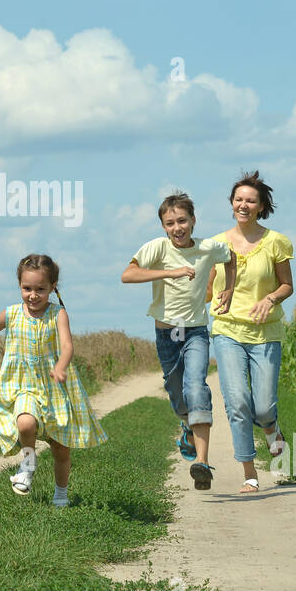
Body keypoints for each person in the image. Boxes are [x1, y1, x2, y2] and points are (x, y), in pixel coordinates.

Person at [0, 254, 106, 508]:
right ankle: (28, 466)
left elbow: (67, 346)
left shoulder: (57, 314)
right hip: (22, 386)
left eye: (40, 289)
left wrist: (61, 367)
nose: (33, 295)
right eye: (27, 288)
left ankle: (61, 495)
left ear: (53, 288)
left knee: (61, 449)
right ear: (19, 286)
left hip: (54, 388)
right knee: (25, 424)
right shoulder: (11, 314)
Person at [122, 192, 235, 490]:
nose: (177, 227)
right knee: (176, 393)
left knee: (196, 386)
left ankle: (202, 462)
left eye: (182, 220)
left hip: (195, 329)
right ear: (163, 226)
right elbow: (128, 275)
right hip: (167, 332)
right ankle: (186, 427)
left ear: (193, 220)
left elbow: (230, 257)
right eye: (170, 223)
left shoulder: (208, 248)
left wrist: (229, 289)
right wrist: (170, 272)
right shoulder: (157, 248)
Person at [206, 171, 294, 493]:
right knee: (237, 402)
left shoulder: (276, 242)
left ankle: (273, 430)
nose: (243, 204)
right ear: (231, 204)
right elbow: (206, 290)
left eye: (250, 200)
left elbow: (287, 285)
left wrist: (269, 299)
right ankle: (250, 472)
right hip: (227, 331)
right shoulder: (215, 244)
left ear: (260, 206)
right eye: (238, 199)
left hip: (265, 333)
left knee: (263, 407)